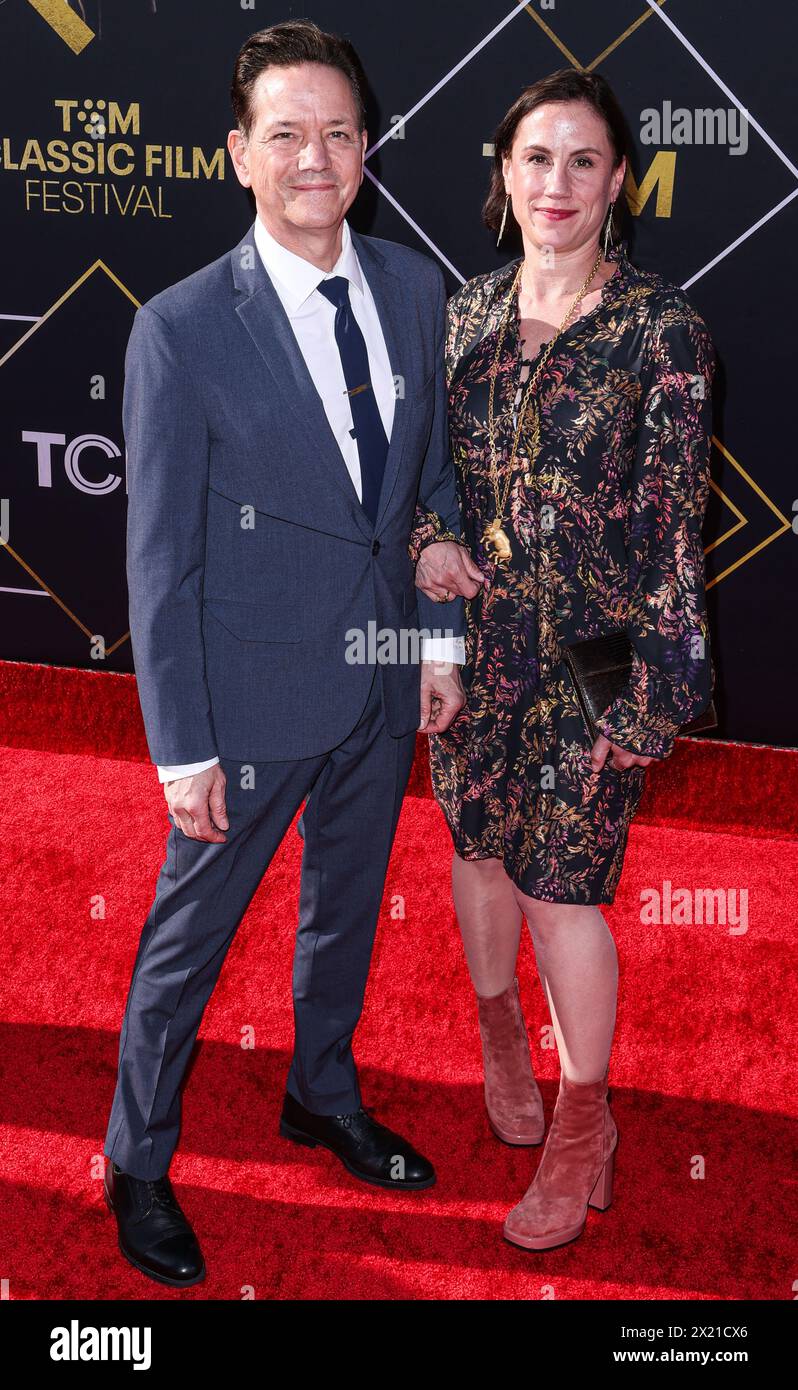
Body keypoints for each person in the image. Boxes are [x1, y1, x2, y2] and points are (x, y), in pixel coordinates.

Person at [102, 19, 481, 1288]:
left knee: (346, 918)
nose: (313, 156)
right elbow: (161, 563)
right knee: (185, 946)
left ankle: (321, 1093)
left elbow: (429, 484)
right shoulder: (181, 328)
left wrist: (436, 643)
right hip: (250, 700)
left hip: (382, 681)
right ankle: (137, 1162)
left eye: (336, 132)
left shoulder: (421, 292)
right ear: (238, 156)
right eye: (285, 134)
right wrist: (182, 749)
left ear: (366, 152)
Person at [413, 68, 716, 1251]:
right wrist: (433, 562)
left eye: (583, 161)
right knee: (480, 855)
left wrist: (650, 695)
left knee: (563, 891)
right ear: (503, 173)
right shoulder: (459, 318)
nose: (557, 183)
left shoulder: (663, 329)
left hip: (594, 659)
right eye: (536, 157)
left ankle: (584, 1125)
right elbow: (425, 492)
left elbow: (676, 525)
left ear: (620, 183)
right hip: (475, 652)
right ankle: (503, 1041)